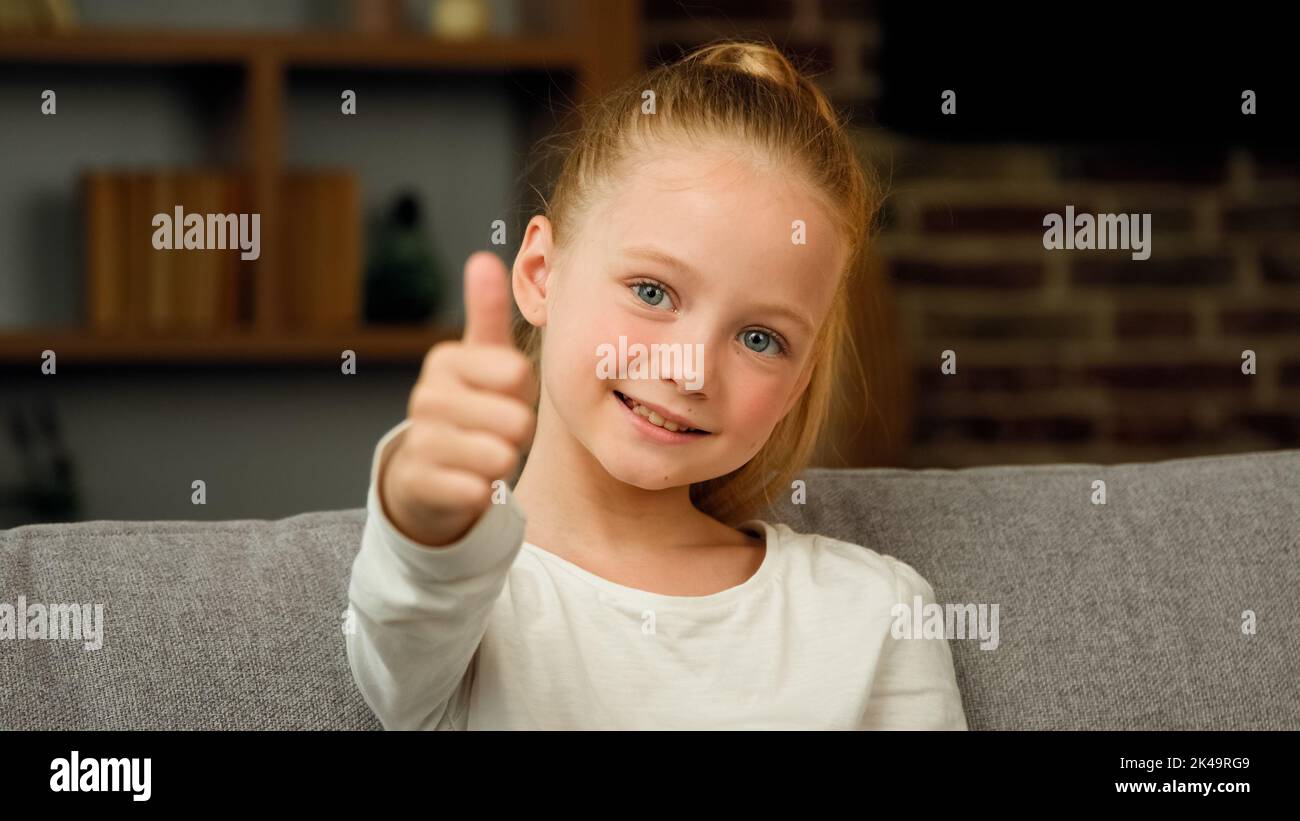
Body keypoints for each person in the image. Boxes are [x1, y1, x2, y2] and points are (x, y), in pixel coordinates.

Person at [345, 39, 967, 730]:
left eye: (761, 339)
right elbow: (409, 601)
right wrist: (421, 502)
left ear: (800, 384)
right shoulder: (466, 610)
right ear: (539, 274)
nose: (691, 370)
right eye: (653, 291)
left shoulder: (871, 612)